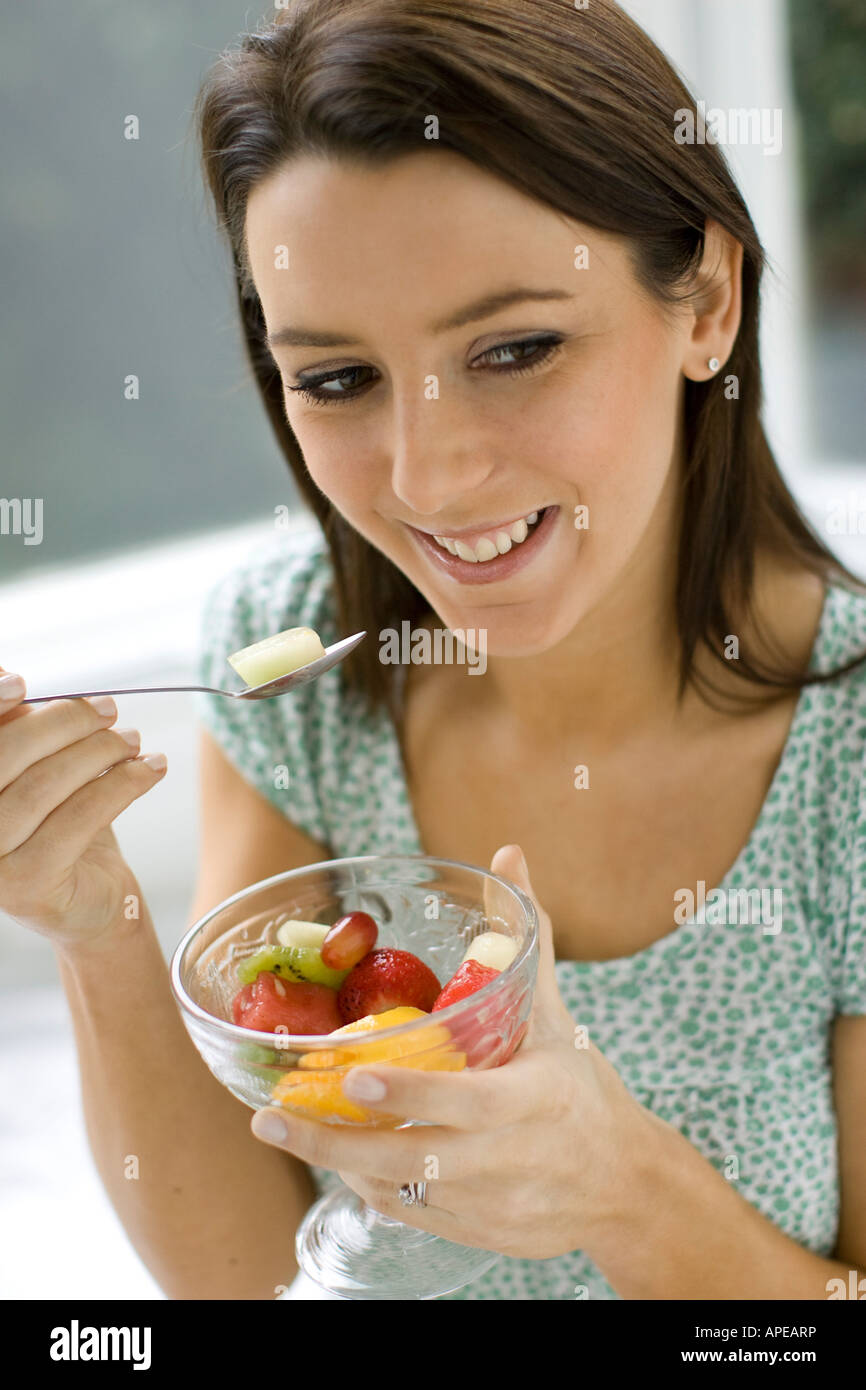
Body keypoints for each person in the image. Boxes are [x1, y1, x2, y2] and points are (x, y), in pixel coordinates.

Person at [2, 0, 864, 1301]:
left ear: (707, 300)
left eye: (514, 348)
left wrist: (618, 1185)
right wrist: (95, 921)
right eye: (338, 379)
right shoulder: (285, 676)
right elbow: (246, 1281)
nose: (429, 475)